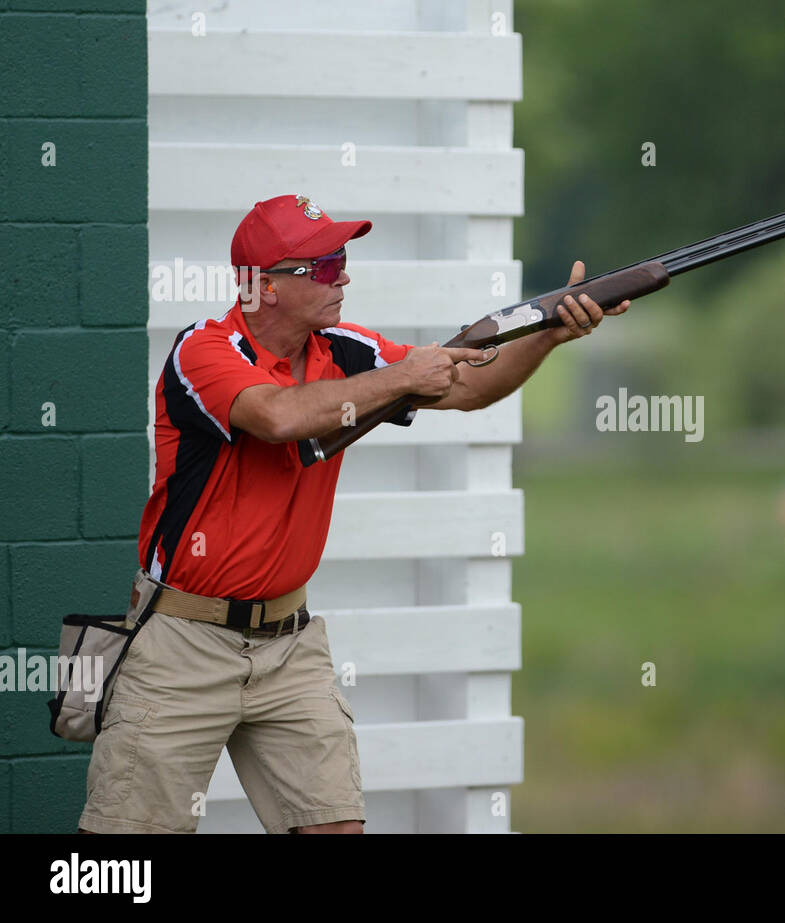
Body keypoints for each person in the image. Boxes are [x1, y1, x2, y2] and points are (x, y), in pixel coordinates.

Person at [78, 194, 628, 834]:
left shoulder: (343, 348)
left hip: (289, 642)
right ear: (265, 285)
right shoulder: (204, 351)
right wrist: (404, 377)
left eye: (342, 258)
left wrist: (549, 334)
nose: (343, 275)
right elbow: (278, 416)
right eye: (324, 264)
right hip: (182, 642)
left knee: (334, 828)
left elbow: (471, 386)